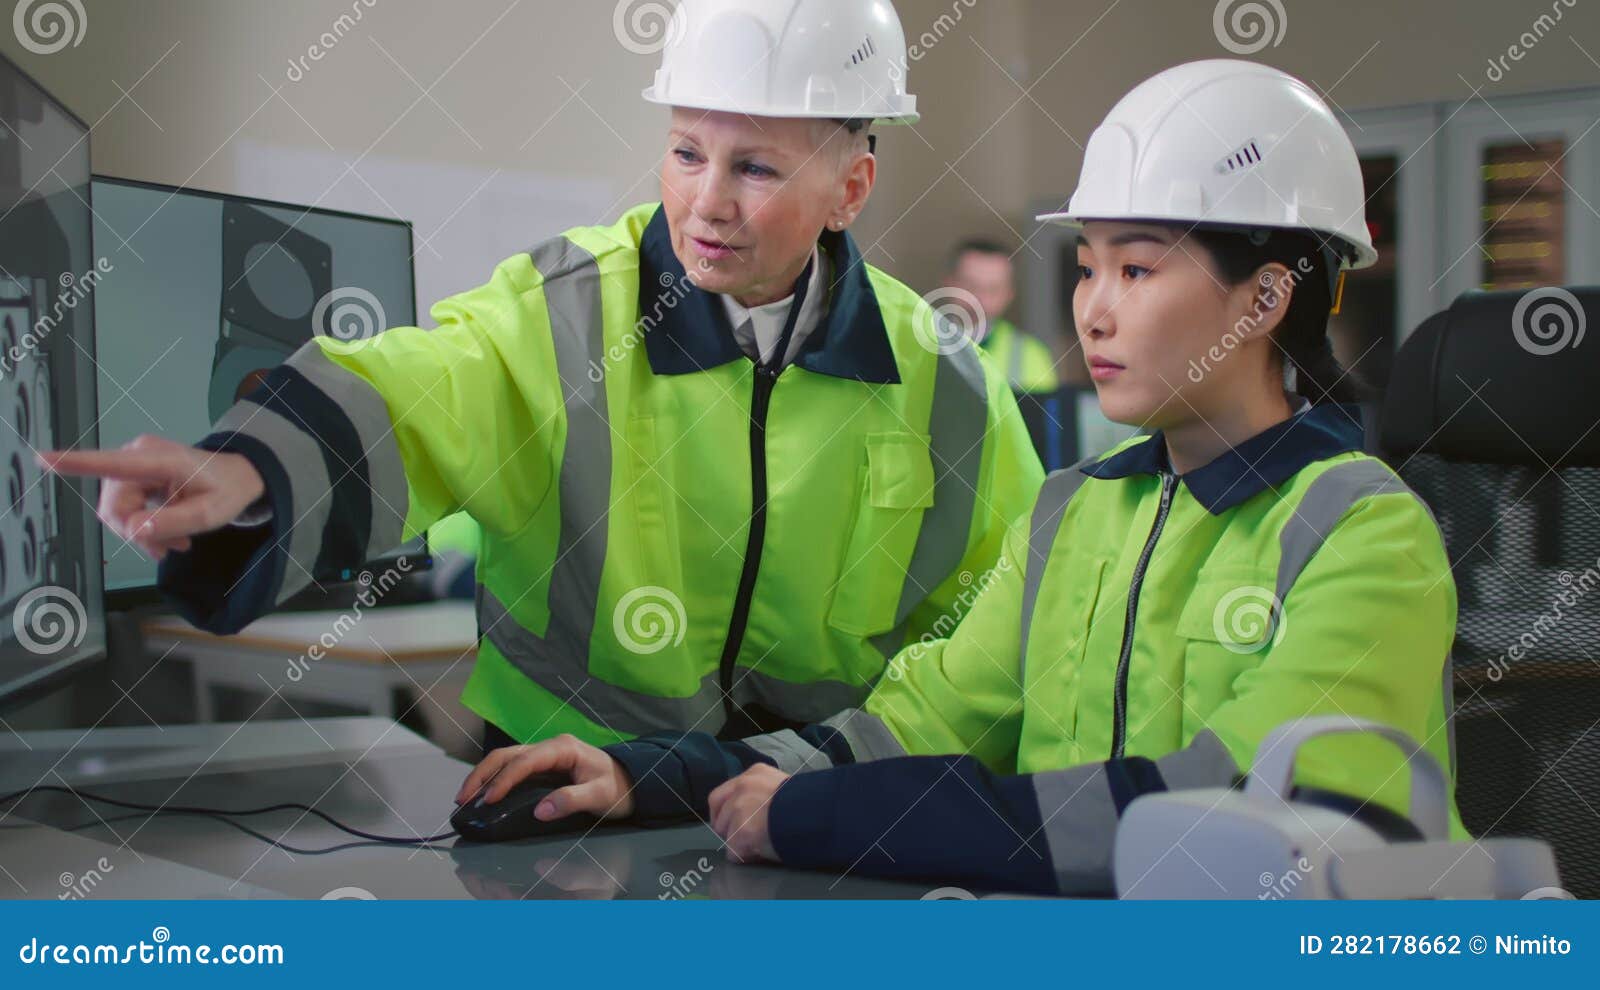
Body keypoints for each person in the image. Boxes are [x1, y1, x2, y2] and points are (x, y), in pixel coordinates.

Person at [452, 59, 1469, 896]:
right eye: (1087, 266)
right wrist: (649, 776)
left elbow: (1228, 816)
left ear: (1261, 301)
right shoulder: (1079, 510)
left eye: (1139, 268)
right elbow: (915, 723)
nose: (1093, 311)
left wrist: (818, 815)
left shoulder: (1362, 531)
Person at [40, 0, 1043, 748]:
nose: (706, 203)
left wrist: (854, 767)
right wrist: (259, 472)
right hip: (562, 783)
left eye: (757, 168)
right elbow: (430, 387)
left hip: (811, 799)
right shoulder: (570, 312)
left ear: (849, 188)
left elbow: (999, 613)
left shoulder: (945, 382)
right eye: (687, 151)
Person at [945, 239, 1059, 393]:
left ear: (1009, 295)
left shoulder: (1032, 355)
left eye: (993, 290)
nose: (980, 300)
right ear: (948, 284)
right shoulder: (914, 341)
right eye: (970, 286)